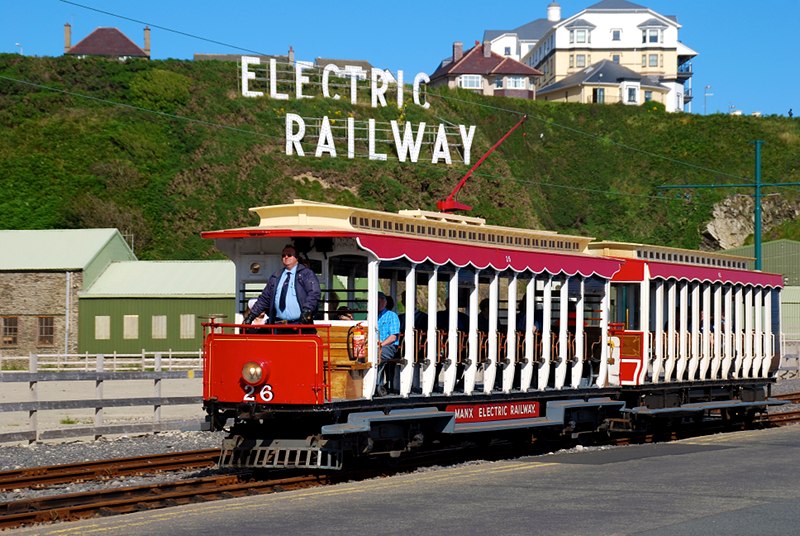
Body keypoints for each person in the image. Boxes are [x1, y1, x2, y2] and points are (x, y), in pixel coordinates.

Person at [245, 244, 321, 333]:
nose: (286, 257)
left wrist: (307, 311)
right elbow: (264, 298)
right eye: (283, 255)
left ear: (296, 257)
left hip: (300, 326)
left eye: (289, 255)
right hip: (279, 326)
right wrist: (251, 316)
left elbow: (314, 293)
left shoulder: (306, 274)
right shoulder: (276, 276)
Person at [376, 291, 400, 396]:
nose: (378, 304)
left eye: (380, 301)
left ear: (385, 302)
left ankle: (378, 385)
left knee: (377, 354)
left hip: (388, 346)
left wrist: (380, 344)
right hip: (373, 345)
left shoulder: (392, 316)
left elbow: (393, 337)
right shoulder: (371, 316)